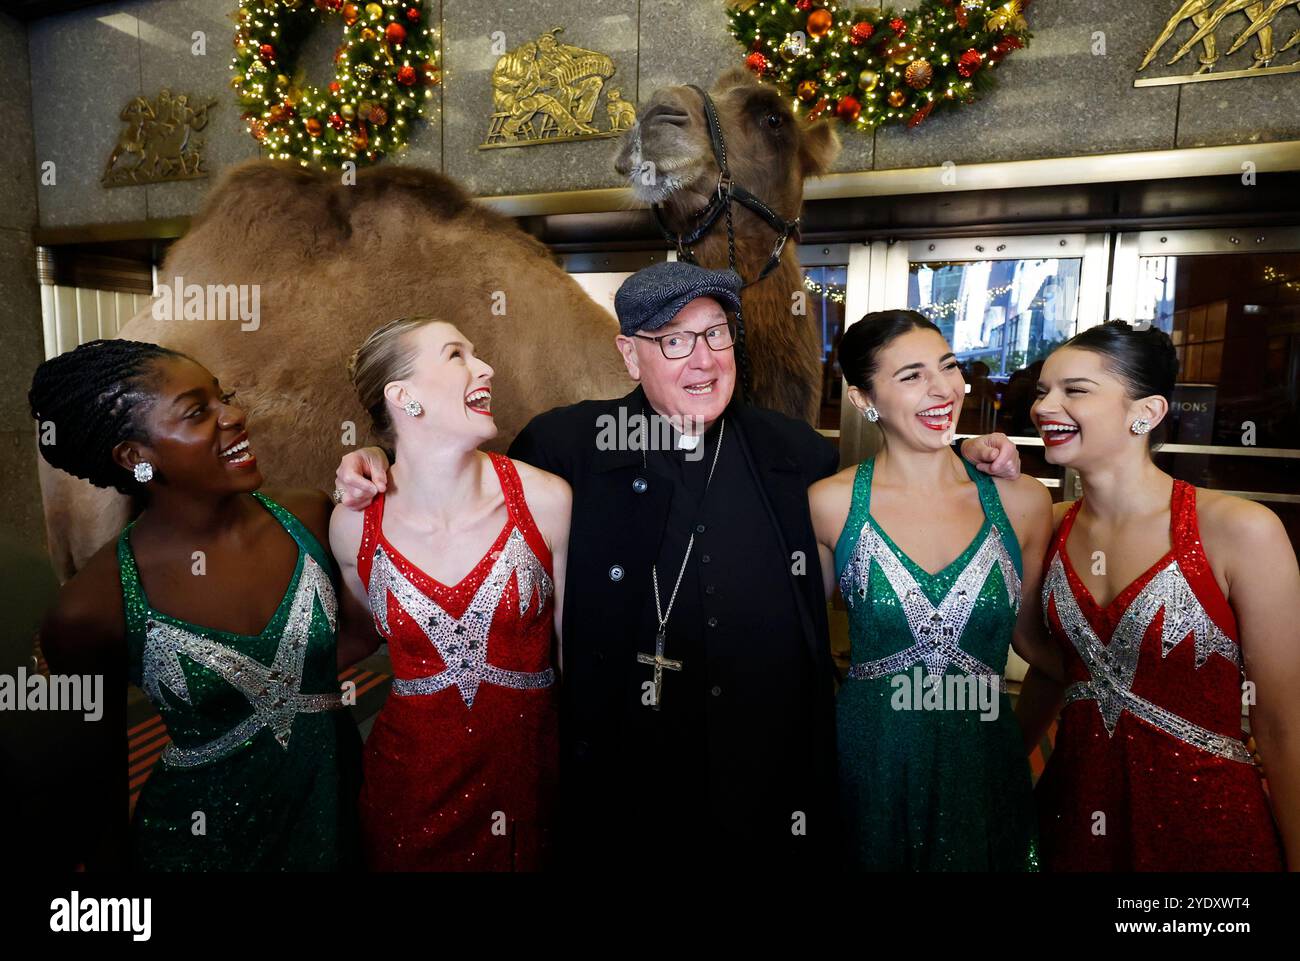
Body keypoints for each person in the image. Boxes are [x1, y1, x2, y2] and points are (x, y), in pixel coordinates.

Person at [334, 262, 1023, 870]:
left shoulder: (797, 455)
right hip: (624, 787)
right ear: (629, 356)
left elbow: (892, 512)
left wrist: (968, 456)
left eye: (716, 333)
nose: (703, 359)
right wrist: (376, 463)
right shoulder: (565, 445)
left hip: (769, 786)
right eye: (674, 340)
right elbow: (457, 477)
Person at [29, 339, 369, 871]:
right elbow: (98, 776)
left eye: (223, 397)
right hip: (200, 849)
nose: (235, 416)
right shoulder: (91, 607)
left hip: (340, 813)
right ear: (135, 457)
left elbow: (353, 639)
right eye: (198, 412)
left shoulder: (308, 517)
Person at [1021, 321, 1300, 870]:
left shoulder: (1239, 528)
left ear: (1144, 413)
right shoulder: (1048, 525)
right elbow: (1055, 670)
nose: (1045, 406)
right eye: (1041, 391)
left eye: (1075, 390)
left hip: (1206, 829)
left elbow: (1283, 721)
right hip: (1072, 819)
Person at [810, 310, 1061, 870]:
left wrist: (1104, 681)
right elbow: (793, 645)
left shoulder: (1021, 502)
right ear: (862, 399)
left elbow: (1034, 646)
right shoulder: (829, 504)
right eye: (911, 375)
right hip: (867, 759)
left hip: (985, 759)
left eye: (947, 366)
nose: (942, 388)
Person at [330, 317, 570, 871]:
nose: (485, 367)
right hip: (408, 790)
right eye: (456, 355)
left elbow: (574, 655)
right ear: (403, 396)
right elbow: (358, 637)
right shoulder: (353, 525)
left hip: (530, 784)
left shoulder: (546, 500)